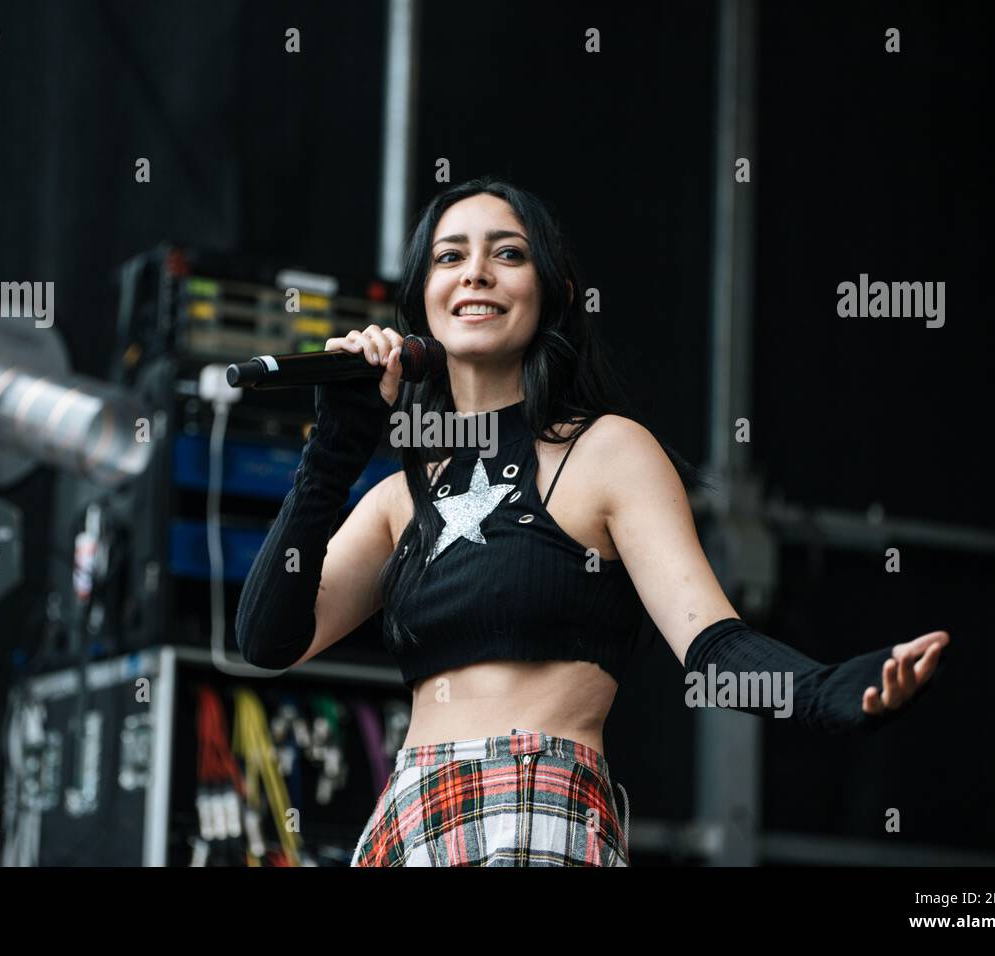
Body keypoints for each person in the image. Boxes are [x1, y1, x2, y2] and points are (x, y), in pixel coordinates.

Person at [234, 177, 950, 867]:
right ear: (422, 303)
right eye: (450, 257)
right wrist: (332, 451)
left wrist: (830, 691)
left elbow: (712, 646)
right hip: (408, 812)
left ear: (555, 293)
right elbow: (266, 640)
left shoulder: (604, 451)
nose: (475, 273)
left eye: (507, 254)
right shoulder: (402, 498)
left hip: (534, 803)